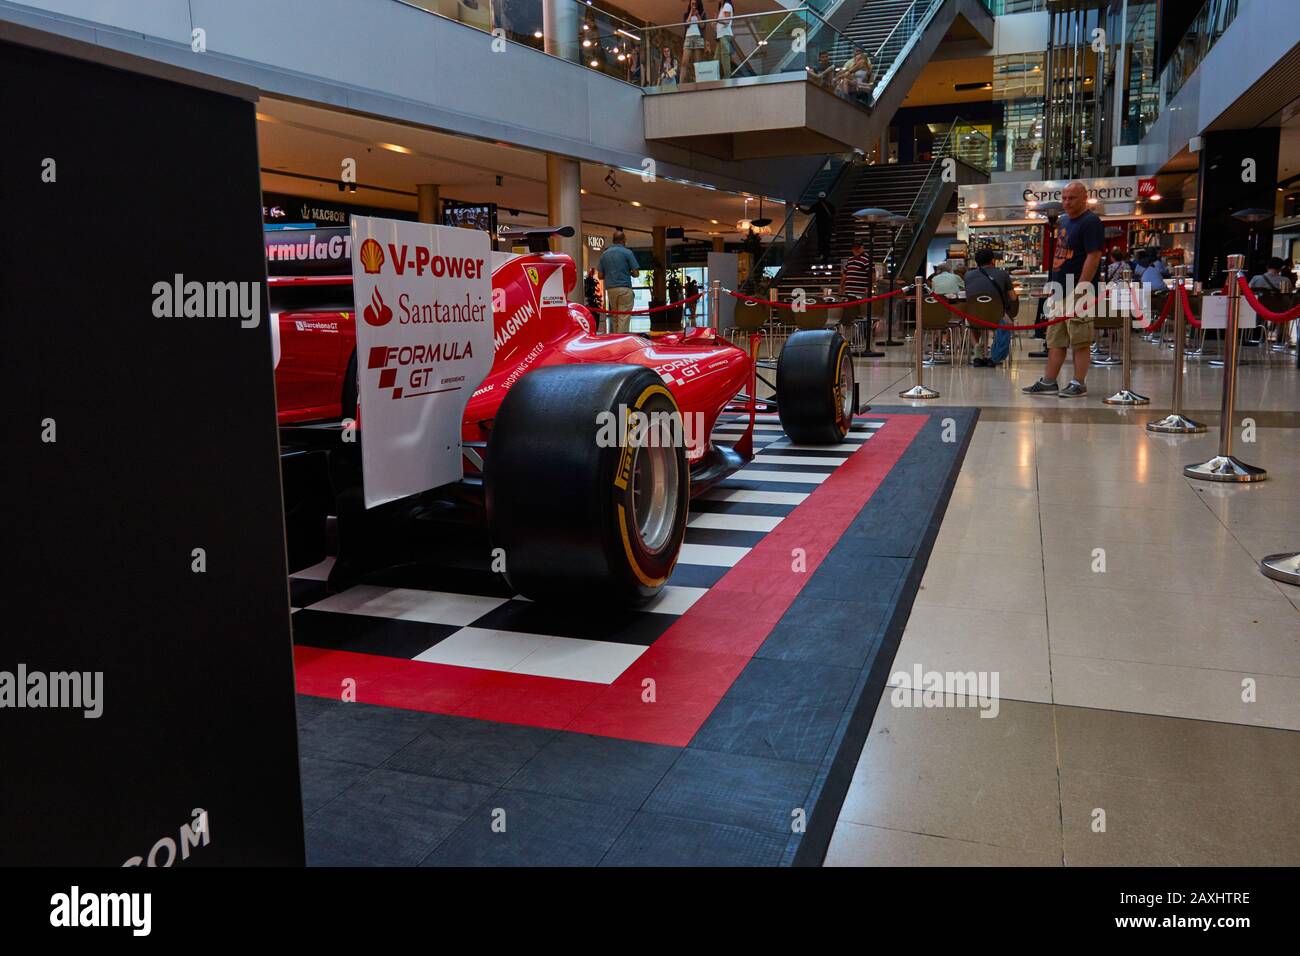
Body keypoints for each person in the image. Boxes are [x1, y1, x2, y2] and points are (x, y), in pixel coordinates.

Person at [1023, 180, 1104, 398]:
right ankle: (1050, 381)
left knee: (1079, 339)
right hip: (1059, 288)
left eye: (1072, 198)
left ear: (1084, 198)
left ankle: (1079, 383)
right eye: (1065, 198)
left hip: (1077, 289)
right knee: (1055, 338)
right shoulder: (1064, 221)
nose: (1067, 202)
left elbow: (1093, 256)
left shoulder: (1091, 222)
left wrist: (1082, 287)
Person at [963, 248, 1016, 367]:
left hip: (975, 318)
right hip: (996, 317)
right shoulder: (1002, 274)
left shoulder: (968, 275)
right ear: (993, 260)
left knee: (972, 321)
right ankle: (995, 357)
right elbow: (1013, 297)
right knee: (1003, 322)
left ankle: (976, 347)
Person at [839, 239, 882, 357]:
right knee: (851, 315)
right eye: (854, 248)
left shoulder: (867, 260)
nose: (856, 250)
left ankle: (858, 338)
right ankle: (853, 338)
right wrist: (841, 287)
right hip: (849, 293)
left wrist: (869, 288)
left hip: (860, 293)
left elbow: (872, 277)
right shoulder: (850, 260)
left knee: (860, 315)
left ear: (862, 248)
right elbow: (845, 275)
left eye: (858, 248)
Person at [597, 230, 641, 334]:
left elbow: (600, 275)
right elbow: (636, 273)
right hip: (625, 289)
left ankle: (616, 339)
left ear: (613, 240)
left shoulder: (604, 254)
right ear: (623, 240)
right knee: (623, 317)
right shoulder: (628, 253)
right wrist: (629, 272)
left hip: (611, 290)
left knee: (615, 317)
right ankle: (622, 342)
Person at [800, 191, 836, 264]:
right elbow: (834, 214)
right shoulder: (830, 205)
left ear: (818, 197)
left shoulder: (816, 205)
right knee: (827, 241)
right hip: (828, 226)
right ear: (825, 197)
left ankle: (821, 255)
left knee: (821, 241)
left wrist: (799, 208)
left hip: (820, 226)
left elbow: (807, 212)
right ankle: (826, 256)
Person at [681, 0, 705, 82]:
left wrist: (698, 15)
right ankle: (681, 83)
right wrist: (691, 13)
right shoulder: (686, 14)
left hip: (698, 37)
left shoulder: (702, 13)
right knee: (684, 62)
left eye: (694, 3)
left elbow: (702, 26)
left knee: (698, 62)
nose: (693, 4)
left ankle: (698, 81)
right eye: (692, 3)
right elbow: (686, 24)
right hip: (688, 37)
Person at [715, 1, 734, 80]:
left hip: (725, 35)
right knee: (717, 58)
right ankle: (715, 76)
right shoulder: (722, 7)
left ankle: (727, 77)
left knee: (724, 57)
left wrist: (717, 20)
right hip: (721, 36)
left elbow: (727, 21)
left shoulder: (726, 5)